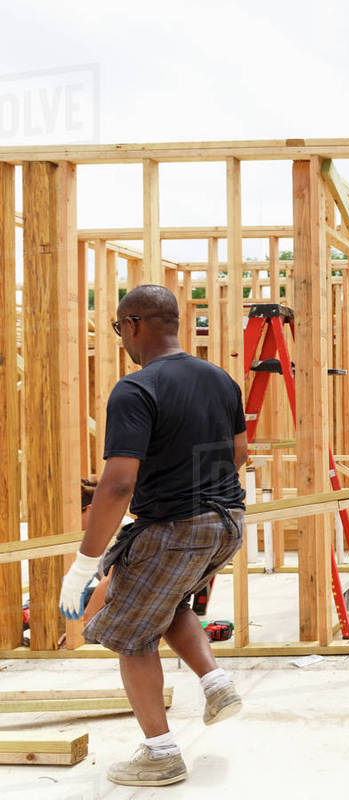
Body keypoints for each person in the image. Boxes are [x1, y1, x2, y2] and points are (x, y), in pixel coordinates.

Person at [58, 285, 248, 786]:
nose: (122, 338)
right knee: (163, 604)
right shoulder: (221, 379)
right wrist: (183, 473)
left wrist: (85, 563)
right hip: (227, 523)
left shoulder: (136, 389)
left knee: (133, 633)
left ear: (136, 323)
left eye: (120, 328)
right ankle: (216, 682)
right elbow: (238, 453)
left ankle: (160, 753)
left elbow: (119, 482)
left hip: (176, 528)